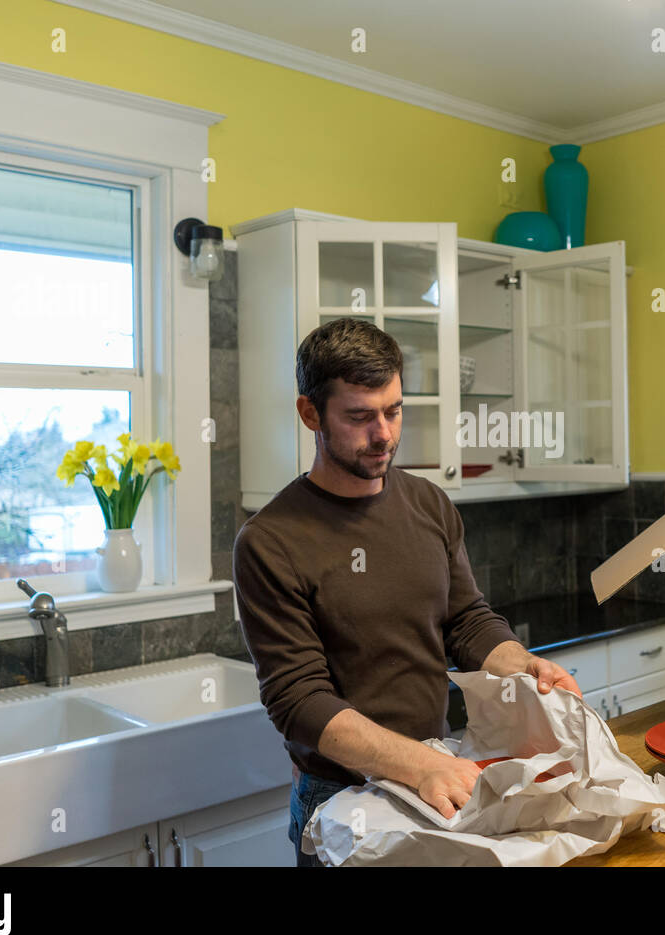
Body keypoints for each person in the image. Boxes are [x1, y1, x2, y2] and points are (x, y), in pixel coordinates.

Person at [232, 317, 582, 867]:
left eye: (393, 410)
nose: (384, 434)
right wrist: (416, 764)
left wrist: (519, 663)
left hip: (437, 768)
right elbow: (299, 701)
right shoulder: (270, 541)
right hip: (341, 798)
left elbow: (465, 621)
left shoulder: (429, 504)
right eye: (359, 417)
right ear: (309, 414)